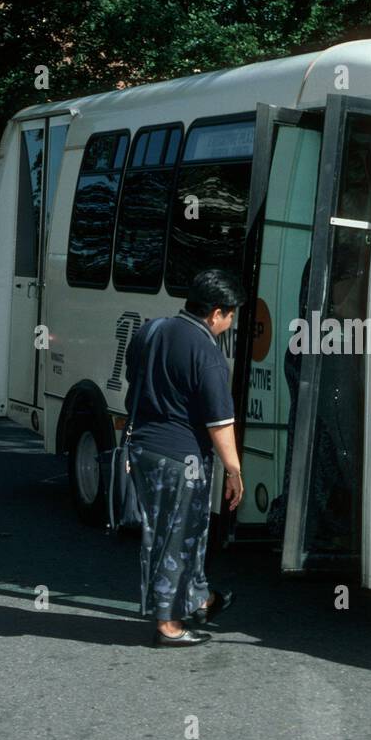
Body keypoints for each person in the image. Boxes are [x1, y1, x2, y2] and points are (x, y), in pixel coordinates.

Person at [124, 268, 246, 647]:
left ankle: (200, 599)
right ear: (215, 314)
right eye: (230, 316)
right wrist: (234, 471)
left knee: (174, 535)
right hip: (183, 459)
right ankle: (169, 624)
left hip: (144, 449)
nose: (229, 324)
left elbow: (134, 381)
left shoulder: (152, 329)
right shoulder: (206, 352)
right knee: (177, 539)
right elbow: (219, 423)